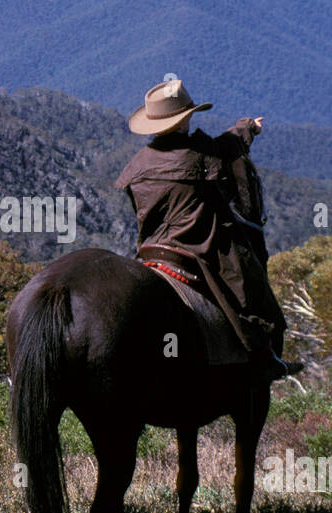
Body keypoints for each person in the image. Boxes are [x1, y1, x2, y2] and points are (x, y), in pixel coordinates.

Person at [115, 77, 299, 382]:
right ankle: (263, 352)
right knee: (245, 278)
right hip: (196, 245)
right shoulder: (199, 153)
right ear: (186, 117)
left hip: (151, 248)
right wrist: (248, 127)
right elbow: (226, 149)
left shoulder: (137, 164)